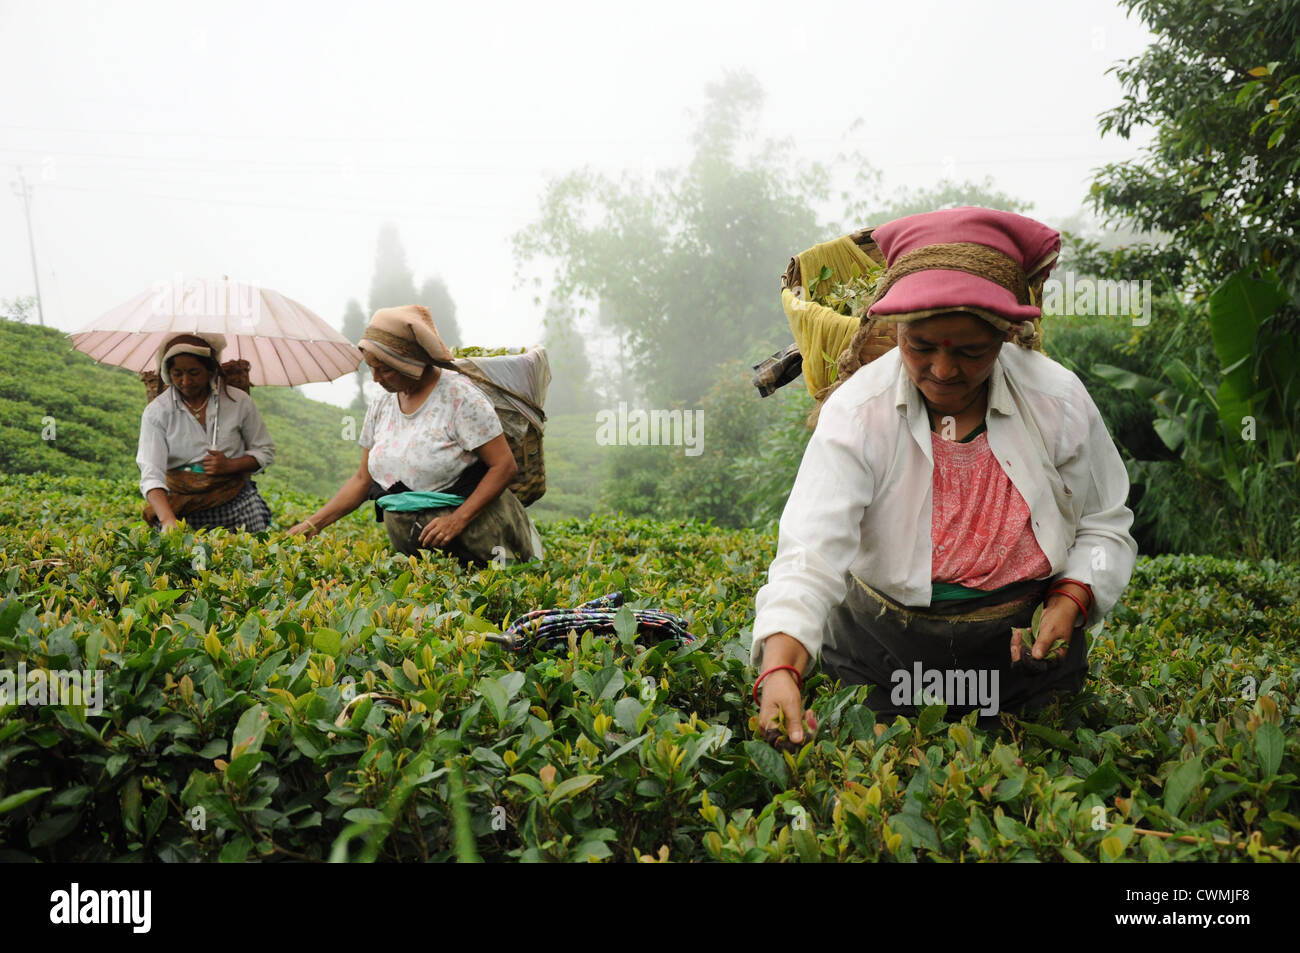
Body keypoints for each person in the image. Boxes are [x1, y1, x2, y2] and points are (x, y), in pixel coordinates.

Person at [751, 206, 1138, 745]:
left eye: (971, 351)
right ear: (894, 330)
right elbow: (810, 553)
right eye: (921, 346)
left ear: (1006, 336)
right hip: (880, 657)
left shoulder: (1057, 400)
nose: (943, 370)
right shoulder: (860, 412)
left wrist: (1073, 595)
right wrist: (781, 669)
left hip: (1021, 660)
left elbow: (1102, 521)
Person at [286, 305, 542, 566]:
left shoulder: (459, 397)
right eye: (371, 368)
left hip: (480, 541)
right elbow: (363, 479)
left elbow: (504, 467)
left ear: (408, 361)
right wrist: (313, 524)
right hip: (419, 559)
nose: (376, 378)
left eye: (385, 369)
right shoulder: (382, 402)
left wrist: (457, 520)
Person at [137, 332, 276, 532]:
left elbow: (265, 451)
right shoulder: (157, 412)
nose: (185, 381)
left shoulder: (238, 402)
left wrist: (230, 465)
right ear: (169, 373)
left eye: (194, 372)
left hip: (236, 502)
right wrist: (168, 519)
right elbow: (151, 472)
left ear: (210, 370)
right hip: (179, 508)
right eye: (177, 374)